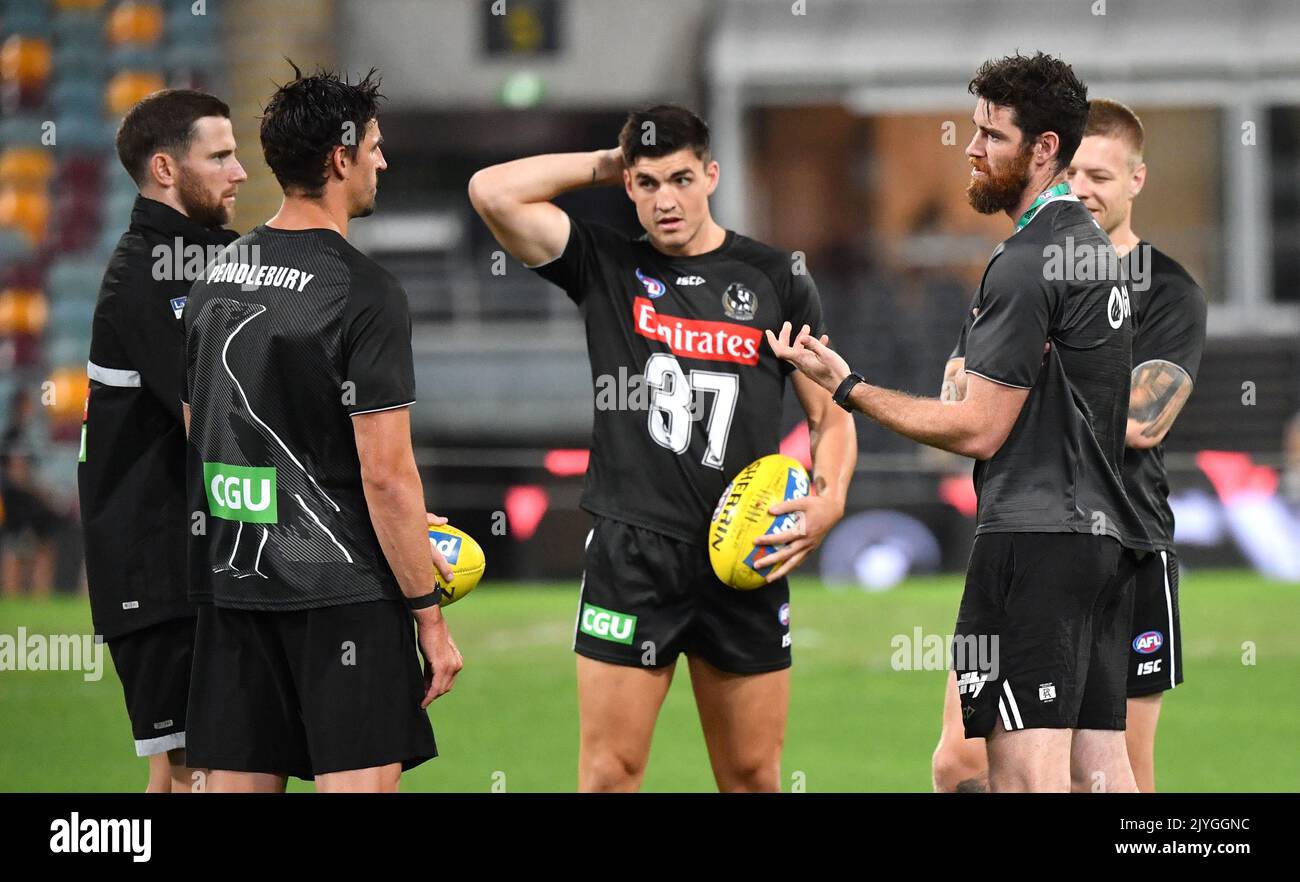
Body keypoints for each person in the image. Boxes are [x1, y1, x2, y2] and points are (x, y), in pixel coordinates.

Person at [769, 53, 1151, 792]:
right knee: (1102, 773)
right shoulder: (1091, 250)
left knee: (1023, 781)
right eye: (974, 131)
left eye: (991, 136)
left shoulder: (1027, 259)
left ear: (1044, 149)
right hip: (1102, 544)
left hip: (1034, 540)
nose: (971, 149)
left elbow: (977, 428)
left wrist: (847, 385)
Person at [469, 104, 856, 792]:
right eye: (646, 183)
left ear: (711, 175)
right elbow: (491, 191)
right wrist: (605, 162)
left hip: (747, 555)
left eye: (680, 178)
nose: (665, 199)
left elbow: (834, 417)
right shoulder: (605, 264)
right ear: (627, 186)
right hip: (632, 553)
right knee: (609, 775)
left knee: (753, 777)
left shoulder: (776, 278)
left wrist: (828, 503)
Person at [181, 65, 461, 793]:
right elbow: (386, 476)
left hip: (234, 595)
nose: (382, 159)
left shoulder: (216, 275)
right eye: (373, 144)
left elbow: (198, 422)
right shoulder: (363, 291)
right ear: (340, 158)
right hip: (342, 599)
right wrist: (428, 618)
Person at [930, 99, 1208, 794]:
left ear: (1136, 182)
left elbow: (1145, 418)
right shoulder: (1020, 265)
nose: (1083, 188)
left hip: (1129, 547)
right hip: (1023, 536)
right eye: (1074, 171)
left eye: (1102, 177)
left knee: (1112, 776)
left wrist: (1025, 391)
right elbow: (958, 392)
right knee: (959, 762)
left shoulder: (1167, 288)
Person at [78, 89, 246, 792]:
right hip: (158, 568)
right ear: (166, 169)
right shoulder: (144, 273)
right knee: (195, 776)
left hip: (207, 558)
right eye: (222, 156)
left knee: (201, 773)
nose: (240, 171)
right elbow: (212, 422)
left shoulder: (223, 255)